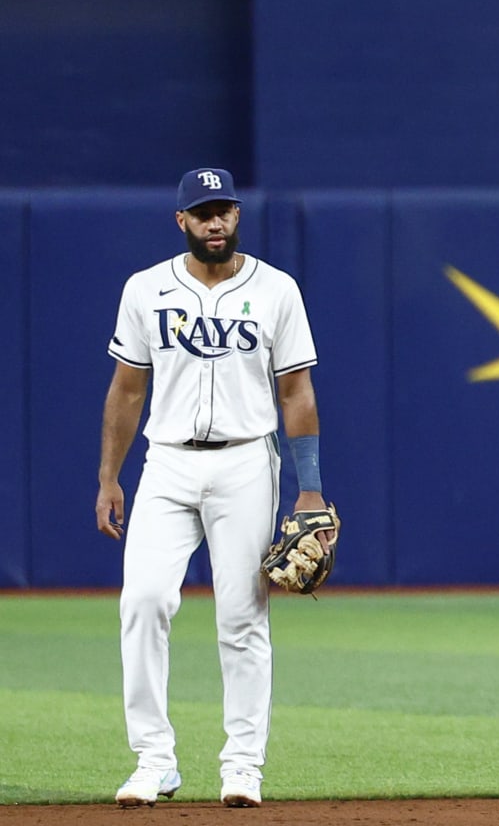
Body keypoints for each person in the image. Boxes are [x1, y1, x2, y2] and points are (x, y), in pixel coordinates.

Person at [96, 167, 334, 809]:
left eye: (224, 209)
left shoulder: (277, 289)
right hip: (167, 462)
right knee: (142, 602)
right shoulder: (145, 289)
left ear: (236, 216)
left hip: (246, 463)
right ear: (182, 221)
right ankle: (153, 761)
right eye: (202, 211)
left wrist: (308, 488)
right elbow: (127, 387)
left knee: (242, 616)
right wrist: (109, 476)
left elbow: (296, 391)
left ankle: (243, 767)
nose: (215, 220)